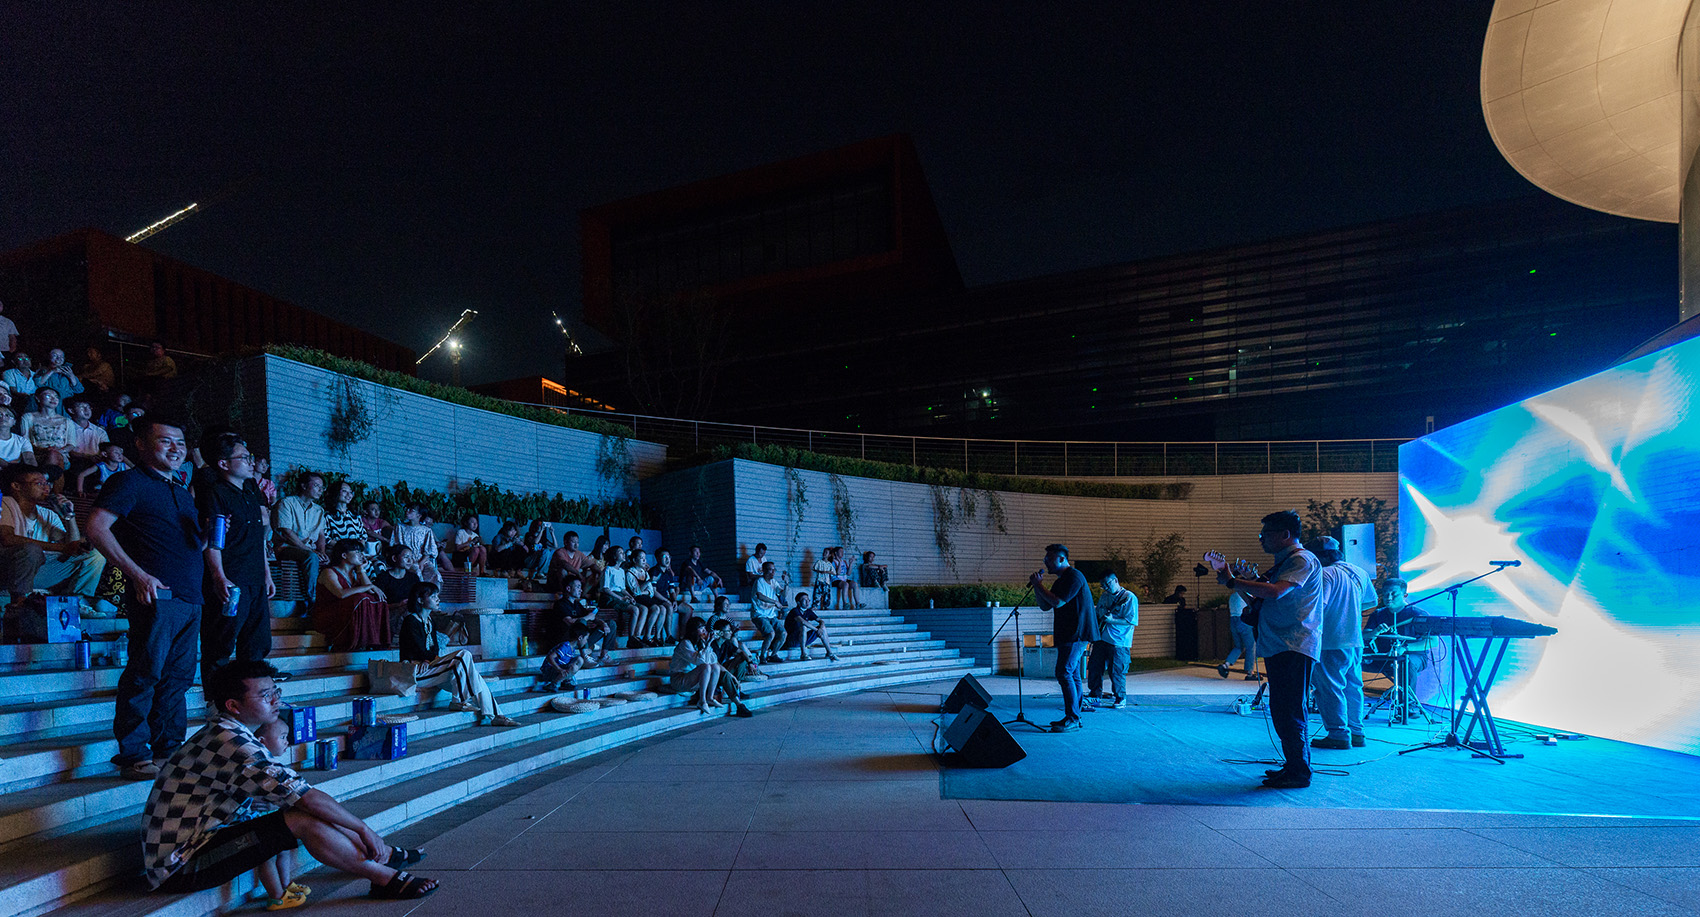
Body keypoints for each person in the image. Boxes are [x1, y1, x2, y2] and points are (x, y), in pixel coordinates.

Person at [143, 660, 439, 900]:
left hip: (207, 839)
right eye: (264, 695)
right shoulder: (231, 741)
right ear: (233, 705)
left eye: (276, 692)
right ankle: (384, 877)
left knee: (306, 811)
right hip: (181, 864)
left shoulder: (230, 731)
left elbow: (299, 796)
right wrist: (363, 829)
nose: (276, 701)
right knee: (302, 817)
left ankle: (382, 858)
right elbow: (305, 797)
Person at [86, 419, 205, 781]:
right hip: (155, 594)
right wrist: (136, 574)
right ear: (140, 444)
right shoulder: (129, 482)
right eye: (165, 441)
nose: (175, 448)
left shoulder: (181, 490)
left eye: (180, 441)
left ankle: (170, 748)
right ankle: (134, 753)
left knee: (179, 678)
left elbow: (188, 545)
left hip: (189, 597)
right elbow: (95, 527)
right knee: (145, 673)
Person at [1205, 510, 1322, 789]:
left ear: (1285, 535)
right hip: (1281, 644)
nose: (1261, 539)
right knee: (1282, 708)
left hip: (1294, 644)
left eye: (1266, 534)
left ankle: (1299, 771)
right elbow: (1261, 600)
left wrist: (1234, 582)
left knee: (1290, 709)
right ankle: (1293, 766)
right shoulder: (1286, 561)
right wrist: (1234, 581)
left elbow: (1277, 592)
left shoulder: (1301, 559)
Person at [195, 433, 275, 690]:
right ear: (223, 464)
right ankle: (215, 702)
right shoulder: (215, 493)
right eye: (244, 457)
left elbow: (259, 538)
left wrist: (267, 573)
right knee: (221, 641)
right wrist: (219, 576)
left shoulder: (251, 491)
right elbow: (213, 541)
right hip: (231, 580)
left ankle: (252, 696)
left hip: (255, 579)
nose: (251, 462)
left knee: (256, 641)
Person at [401, 582, 517, 726]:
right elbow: (417, 649)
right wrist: (426, 659)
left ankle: (497, 716)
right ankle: (459, 701)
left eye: (437, 595)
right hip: (416, 672)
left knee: (476, 678)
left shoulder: (430, 621)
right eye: (432, 596)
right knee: (463, 655)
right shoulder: (410, 621)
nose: (437, 599)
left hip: (431, 668)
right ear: (420, 600)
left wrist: (429, 658)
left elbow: (434, 650)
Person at [1307, 536, 1379, 750]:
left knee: (1330, 687)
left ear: (1321, 556)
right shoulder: (1359, 572)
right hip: (1355, 640)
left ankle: (1338, 734)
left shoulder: (1324, 574)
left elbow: (1319, 606)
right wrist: (1350, 611)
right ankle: (1357, 732)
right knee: (1354, 686)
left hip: (1331, 639)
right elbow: (1371, 602)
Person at [0, 464, 106, 603]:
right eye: (38, 483)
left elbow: (71, 545)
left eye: (47, 483)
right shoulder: (5, 503)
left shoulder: (47, 514)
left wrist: (69, 515)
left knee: (93, 555)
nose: (46, 488)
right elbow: (7, 539)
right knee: (31, 550)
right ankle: (18, 603)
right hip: (7, 571)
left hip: (35, 571)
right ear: (16, 486)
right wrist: (60, 548)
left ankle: (77, 602)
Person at [1029, 543, 1098, 732]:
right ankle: (1075, 716)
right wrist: (1037, 588)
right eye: (1045, 560)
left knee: (1064, 672)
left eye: (1049, 559)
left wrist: (1039, 584)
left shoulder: (1074, 577)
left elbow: (1058, 602)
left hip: (1076, 633)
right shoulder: (1060, 580)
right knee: (1072, 674)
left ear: (1061, 559)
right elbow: (1046, 605)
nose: (1046, 563)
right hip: (1068, 633)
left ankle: (1073, 718)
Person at [311, 539, 389, 651]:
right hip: (328, 615)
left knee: (377, 599)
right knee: (360, 598)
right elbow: (341, 594)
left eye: (361, 552)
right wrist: (368, 587)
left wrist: (361, 570)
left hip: (346, 612)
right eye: (357, 552)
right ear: (344, 555)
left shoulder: (355, 573)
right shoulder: (329, 572)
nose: (361, 555)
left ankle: (373, 642)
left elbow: (372, 591)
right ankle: (356, 642)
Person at [274, 474, 328, 604]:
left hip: (310, 549)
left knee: (341, 557)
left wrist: (323, 552)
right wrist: (311, 551)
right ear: (303, 486)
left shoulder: (319, 510)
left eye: (322, 487)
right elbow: (286, 532)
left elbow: (321, 535)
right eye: (316, 485)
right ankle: (313, 599)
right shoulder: (286, 503)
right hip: (287, 548)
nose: (320, 490)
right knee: (310, 556)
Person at [1087, 572, 1137, 709]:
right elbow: (1098, 614)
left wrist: (1112, 620)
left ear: (1115, 580)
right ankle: (1094, 695)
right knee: (1094, 667)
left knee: (1117, 670)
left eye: (1107, 584)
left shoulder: (1129, 597)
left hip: (1119, 641)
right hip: (1101, 637)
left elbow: (1131, 620)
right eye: (1103, 586)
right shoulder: (1104, 596)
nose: (1106, 588)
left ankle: (1120, 697)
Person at [669, 616, 726, 715]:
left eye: (705, 628)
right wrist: (708, 645)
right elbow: (698, 661)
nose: (704, 631)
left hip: (692, 678)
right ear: (693, 630)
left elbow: (713, 659)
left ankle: (710, 697)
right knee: (705, 667)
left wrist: (708, 644)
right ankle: (702, 700)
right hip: (679, 679)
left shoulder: (701, 643)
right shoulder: (685, 643)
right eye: (701, 628)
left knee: (715, 667)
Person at [550, 576, 612, 664]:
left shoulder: (577, 604)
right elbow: (570, 622)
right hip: (568, 641)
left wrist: (603, 623)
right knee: (581, 622)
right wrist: (587, 617)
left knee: (611, 624)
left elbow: (591, 617)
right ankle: (585, 657)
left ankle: (604, 655)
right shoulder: (560, 604)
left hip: (582, 640)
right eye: (578, 587)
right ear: (568, 588)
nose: (581, 590)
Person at [596, 545, 642, 646]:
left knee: (642, 608)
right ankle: (631, 638)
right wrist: (620, 598)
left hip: (620, 595)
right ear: (614, 556)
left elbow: (623, 589)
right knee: (635, 610)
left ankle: (637, 636)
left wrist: (630, 597)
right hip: (610, 597)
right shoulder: (608, 569)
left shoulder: (621, 571)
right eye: (620, 552)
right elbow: (605, 589)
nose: (623, 554)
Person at [627, 547, 673, 645]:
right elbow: (636, 592)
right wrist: (648, 583)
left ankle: (656, 636)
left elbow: (651, 592)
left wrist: (646, 589)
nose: (644, 560)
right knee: (656, 608)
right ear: (634, 560)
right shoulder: (630, 573)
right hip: (637, 599)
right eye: (641, 558)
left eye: (645, 558)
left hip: (646, 597)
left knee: (663, 609)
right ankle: (646, 636)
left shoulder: (645, 573)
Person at [21, 387, 74, 467]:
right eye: (48, 396)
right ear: (38, 398)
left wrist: (59, 450)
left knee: (53, 455)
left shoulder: (67, 421)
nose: (54, 399)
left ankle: (46, 476)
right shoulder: (28, 417)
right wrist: (42, 450)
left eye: (56, 397)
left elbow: (71, 444)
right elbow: (25, 440)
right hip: (36, 453)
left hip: (59, 454)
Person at [390, 504, 440, 585]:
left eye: (411, 510)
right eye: (407, 509)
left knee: (435, 574)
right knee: (416, 571)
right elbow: (395, 546)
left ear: (419, 515)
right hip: (406, 560)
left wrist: (421, 562)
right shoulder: (400, 527)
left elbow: (429, 550)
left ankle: (432, 596)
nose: (407, 511)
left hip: (423, 560)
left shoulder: (426, 530)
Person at [782, 591, 840, 662]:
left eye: (808, 600)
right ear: (798, 602)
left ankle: (829, 653)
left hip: (802, 639)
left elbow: (821, 621)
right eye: (804, 600)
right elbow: (803, 621)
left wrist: (821, 627)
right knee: (803, 627)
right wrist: (817, 630)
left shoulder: (808, 611)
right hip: (791, 641)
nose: (807, 602)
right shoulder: (794, 611)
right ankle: (803, 654)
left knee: (823, 628)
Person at [1218, 589, 1260, 681]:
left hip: (1233, 621)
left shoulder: (1232, 596)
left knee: (1239, 646)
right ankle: (1250, 673)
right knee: (1251, 647)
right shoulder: (1246, 595)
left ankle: (1226, 665)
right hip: (1244, 621)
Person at [536, 621, 590, 693]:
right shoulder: (565, 646)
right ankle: (554, 684)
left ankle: (565, 682)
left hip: (557, 671)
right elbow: (550, 657)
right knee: (577, 662)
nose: (586, 642)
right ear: (580, 638)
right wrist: (559, 669)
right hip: (549, 671)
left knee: (579, 660)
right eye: (586, 639)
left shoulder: (572, 648)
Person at [749, 560, 786, 664]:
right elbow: (759, 596)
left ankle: (773, 655)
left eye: (774, 570)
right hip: (759, 614)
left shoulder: (774, 582)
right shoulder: (759, 581)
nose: (772, 572)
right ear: (764, 571)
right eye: (770, 570)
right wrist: (775, 601)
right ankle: (762, 656)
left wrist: (786, 583)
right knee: (770, 633)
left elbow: (783, 594)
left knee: (783, 633)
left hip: (771, 614)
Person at [321, 481, 367, 546]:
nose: (349, 495)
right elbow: (325, 537)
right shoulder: (327, 515)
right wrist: (344, 547)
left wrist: (359, 546)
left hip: (356, 552)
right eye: (344, 491)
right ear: (335, 492)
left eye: (351, 492)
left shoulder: (355, 515)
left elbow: (363, 535)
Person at [66, 398, 109, 463]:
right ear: (71, 410)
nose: (87, 410)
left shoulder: (99, 431)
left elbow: (106, 449)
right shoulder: (65, 428)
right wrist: (86, 457)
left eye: (89, 407)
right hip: (73, 462)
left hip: (96, 463)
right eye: (82, 407)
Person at [519, 520, 556, 586]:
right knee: (544, 551)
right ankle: (540, 572)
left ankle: (541, 572)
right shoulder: (529, 535)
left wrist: (552, 533)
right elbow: (535, 542)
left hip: (537, 562)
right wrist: (541, 530)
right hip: (529, 560)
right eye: (539, 525)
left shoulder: (543, 538)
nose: (540, 527)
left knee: (549, 551)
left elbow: (555, 546)